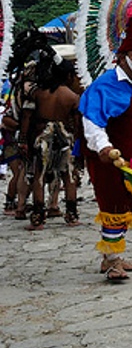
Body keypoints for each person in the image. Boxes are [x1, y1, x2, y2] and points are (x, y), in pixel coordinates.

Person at [79, 17, 132, 282]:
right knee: (112, 207)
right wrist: (104, 147)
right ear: (122, 56)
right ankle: (111, 262)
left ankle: (114, 255)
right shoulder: (106, 84)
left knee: (125, 207)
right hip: (111, 160)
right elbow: (92, 120)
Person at [20, 58, 82, 229]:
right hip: (65, 137)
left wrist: (23, 140)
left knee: (39, 176)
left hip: (42, 136)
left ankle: (38, 218)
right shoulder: (72, 97)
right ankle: (72, 216)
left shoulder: (38, 93)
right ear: (68, 76)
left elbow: (26, 116)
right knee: (68, 176)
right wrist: (78, 143)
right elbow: (77, 125)